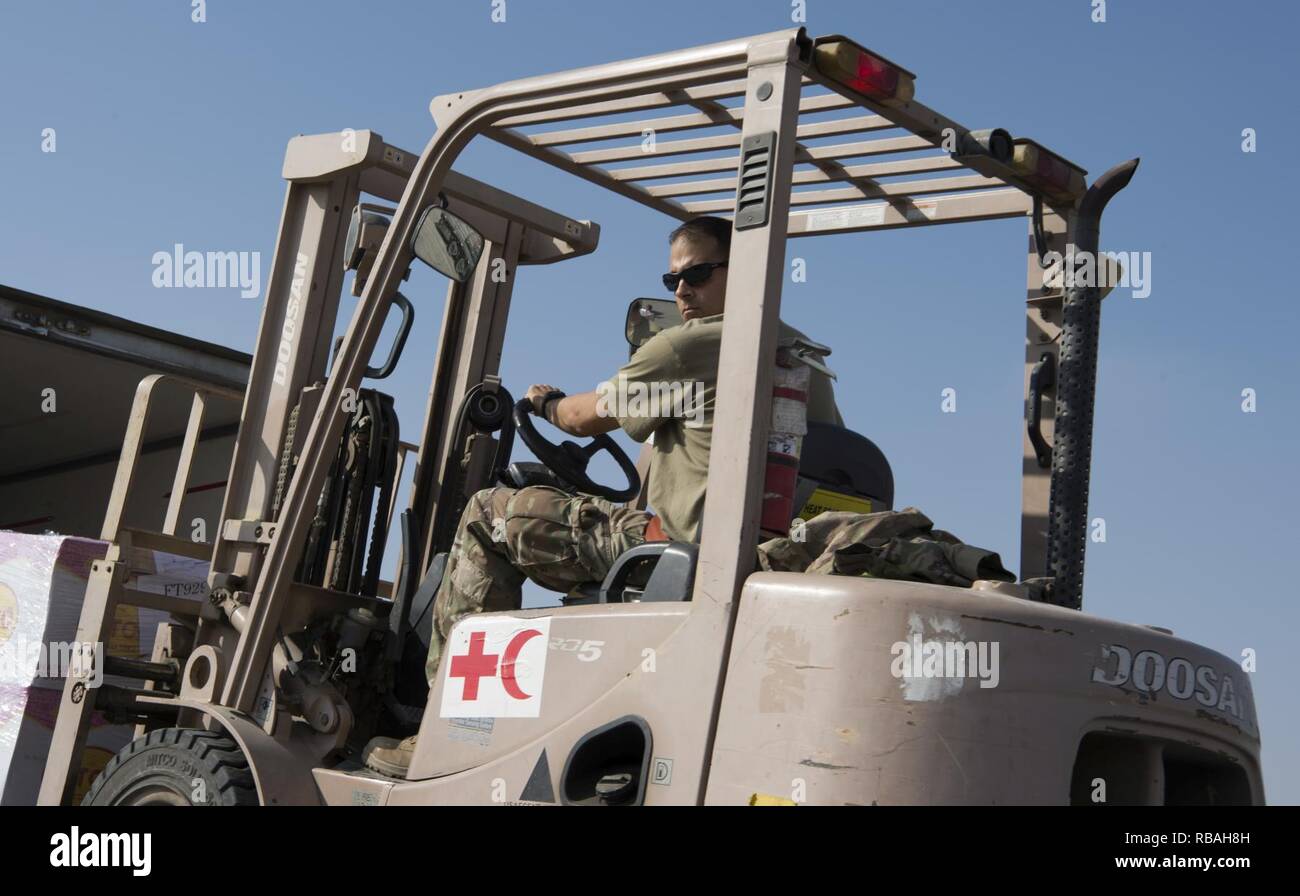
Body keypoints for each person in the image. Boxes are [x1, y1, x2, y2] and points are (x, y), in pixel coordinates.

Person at [362, 215, 841, 777]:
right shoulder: (804, 358)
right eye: (673, 282)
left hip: (678, 550)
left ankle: (448, 733)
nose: (683, 291)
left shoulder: (696, 346)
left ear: (748, 272)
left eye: (699, 274)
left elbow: (583, 418)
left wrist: (546, 403)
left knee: (487, 514)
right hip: (760, 550)